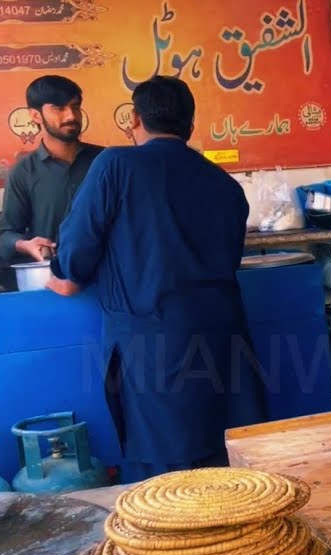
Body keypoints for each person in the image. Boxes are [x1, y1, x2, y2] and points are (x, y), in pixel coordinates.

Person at [44, 75, 267, 485]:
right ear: (191, 125)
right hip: (226, 343)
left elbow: (75, 252)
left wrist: (64, 274)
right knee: (230, 473)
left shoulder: (115, 164)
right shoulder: (225, 185)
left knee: (168, 487)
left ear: (133, 119)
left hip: (155, 355)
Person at [0, 75, 105, 264]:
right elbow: (7, 235)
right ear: (35, 115)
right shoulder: (23, 171)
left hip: (108, 276)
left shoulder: (105, 161)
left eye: (75, 107)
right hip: (54, 279)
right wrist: (26, 244)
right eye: (59, 108)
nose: (71, 116)